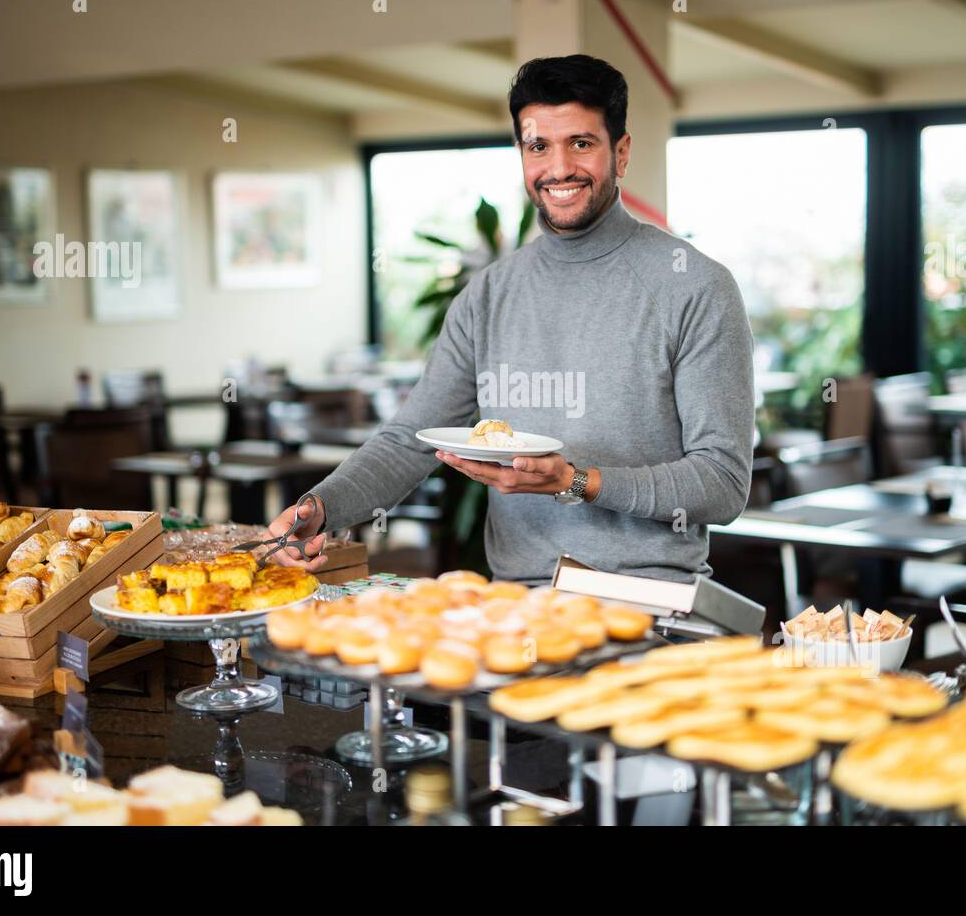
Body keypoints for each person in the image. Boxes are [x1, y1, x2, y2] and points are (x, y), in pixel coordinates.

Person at [265, 54, 754, 584]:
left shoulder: (695, 285)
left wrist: (575, 482)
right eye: (538, 146)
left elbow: (722, 482)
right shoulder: (489, 293)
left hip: (651, 604)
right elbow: (410, 439)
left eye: (582, 144)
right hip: (513, 606)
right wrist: (320, 506)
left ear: (622, 151)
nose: (559, 168)